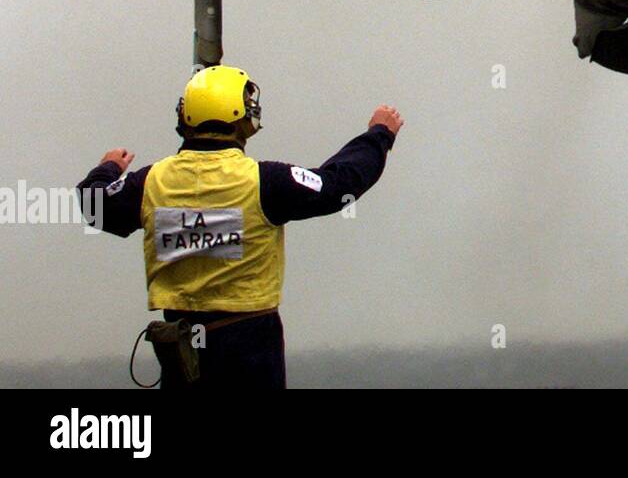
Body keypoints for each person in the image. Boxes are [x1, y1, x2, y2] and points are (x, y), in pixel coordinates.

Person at [77, 64, 403, 388]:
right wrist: (378, 136)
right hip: (249, 343)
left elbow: (95, 206)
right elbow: (337, 185)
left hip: (181, 345)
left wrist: (107, 168)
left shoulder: (149, 183)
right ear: (243, 119)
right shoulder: (263, 182)